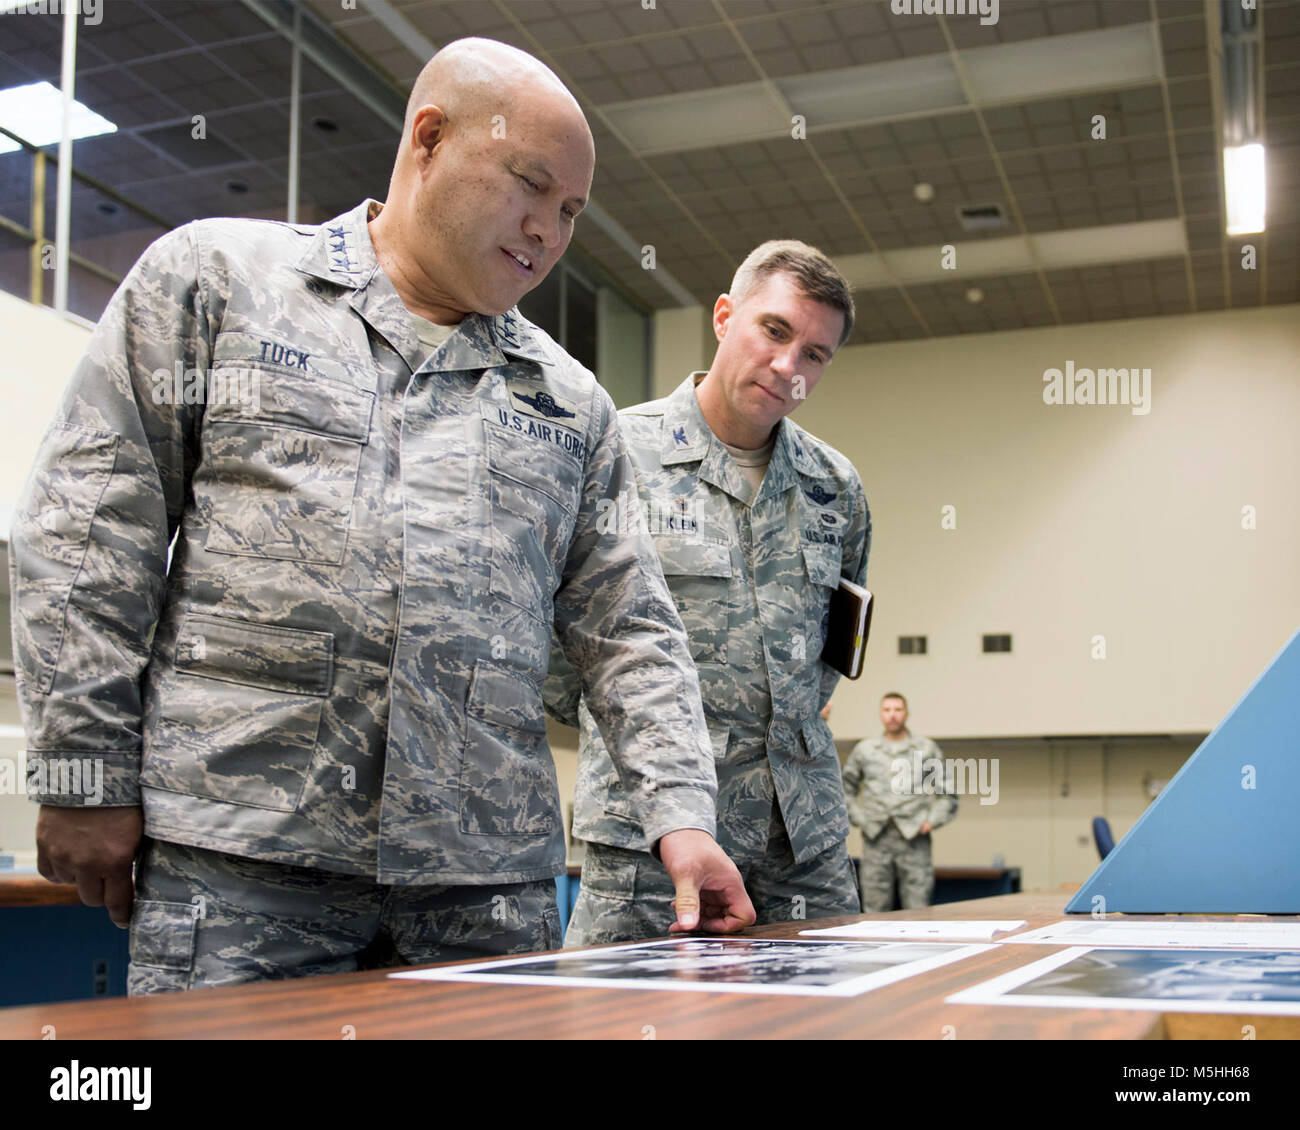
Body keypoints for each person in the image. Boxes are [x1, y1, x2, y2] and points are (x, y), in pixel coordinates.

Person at [9, 37, 754, 994]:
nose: (550, 232)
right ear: (429, 138)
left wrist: (681, 814)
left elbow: (631, 630)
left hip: (484, 888)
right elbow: (87, 529)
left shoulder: (570, 405)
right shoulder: (216, 283)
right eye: (531, 186)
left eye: (571, 211)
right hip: (246, 867)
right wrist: (86, 772)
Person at [546, 240, 870, 944]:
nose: (789, 367)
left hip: (803, 844)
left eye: (815, 354)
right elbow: (553, 647)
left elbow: (835, 648)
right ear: (725, 316)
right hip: (651, 841)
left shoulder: (833, 487)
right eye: (775, 330)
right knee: (625, 1024)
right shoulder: (617, 453)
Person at [842, 693, 957, 912]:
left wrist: (931, 821)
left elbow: (947, 793)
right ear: (880, 714)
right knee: (875, 909)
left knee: (918, 908)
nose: (892, 715)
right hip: (877, 837)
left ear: (906, 713)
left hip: (914, 838)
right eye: (887, 710)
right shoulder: (866, 750)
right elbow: (845, 790)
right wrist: (860, 819)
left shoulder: (925, 749)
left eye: (897, 710)